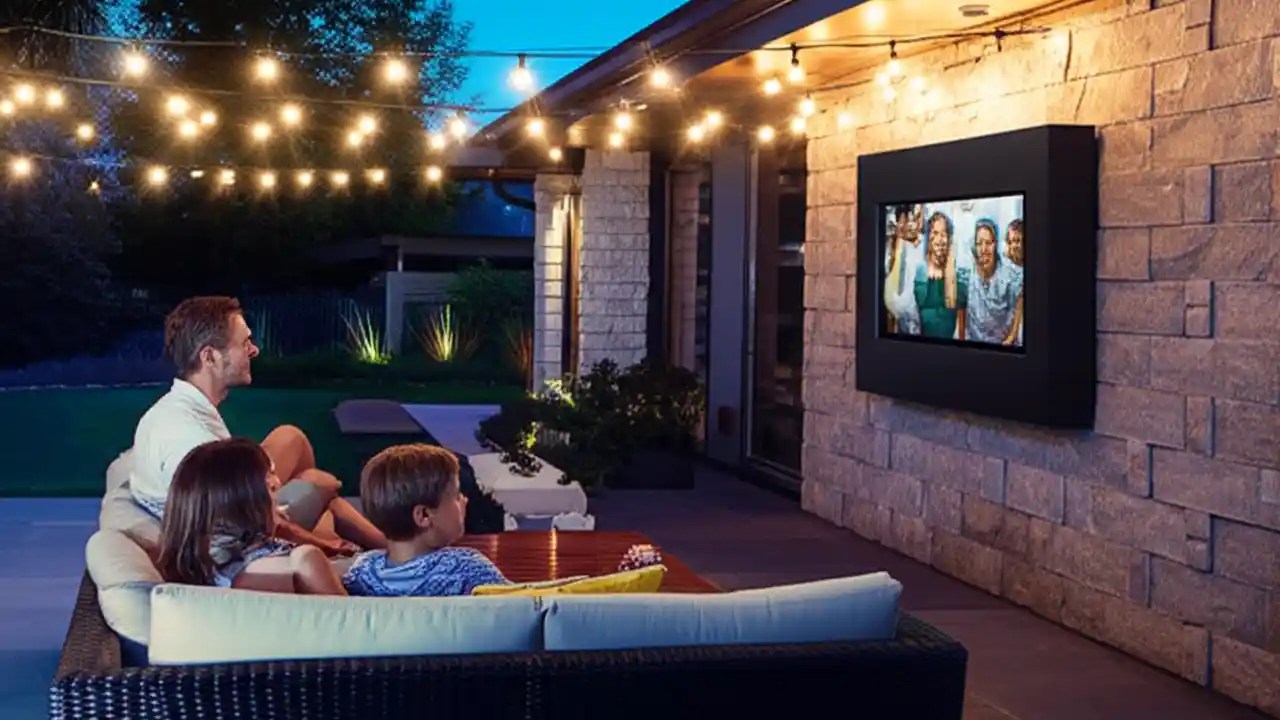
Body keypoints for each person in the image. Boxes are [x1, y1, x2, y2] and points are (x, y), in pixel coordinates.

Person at [128, 296, 387, 555]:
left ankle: (385, 543)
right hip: (231, 538)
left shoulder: (181, 406)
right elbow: (244, 528)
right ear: (210, 357)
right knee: (319, 484)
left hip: (229, 508)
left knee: (290, 438)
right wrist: (326, 545)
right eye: (244, 343)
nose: (254, 351)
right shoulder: (191, 440)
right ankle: (394, 549)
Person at [155, 438, 347, 595]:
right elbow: (355, 625)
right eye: (269, 482)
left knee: (327, 501)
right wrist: (311, 558)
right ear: (239, 501)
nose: (278, 484)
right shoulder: (300, 565)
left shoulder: (199, 564)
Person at [343, 444, 512, 597]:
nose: (464, 500)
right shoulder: (467, 568)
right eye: (455, 495)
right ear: (424, 515)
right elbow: (521, 607)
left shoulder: (363, 572)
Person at [964, 219, 1023, 345]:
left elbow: (1020, 298)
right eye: (979, 243)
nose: (983, 249)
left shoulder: (1010, 275)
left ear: (995, 244)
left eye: (988, 243)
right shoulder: (969, 272)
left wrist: (1011, 338)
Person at [914, 210, 968, 340]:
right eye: (935, 233)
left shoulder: (959, 280)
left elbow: (962, 333)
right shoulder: (919, 275)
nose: (939, 240)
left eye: (944, 234)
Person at [882, 204, 924, 335]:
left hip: (913, 317)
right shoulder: (891, 246)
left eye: (905, 221)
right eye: (899, 221)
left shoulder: (919, 248)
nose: (902, 225)